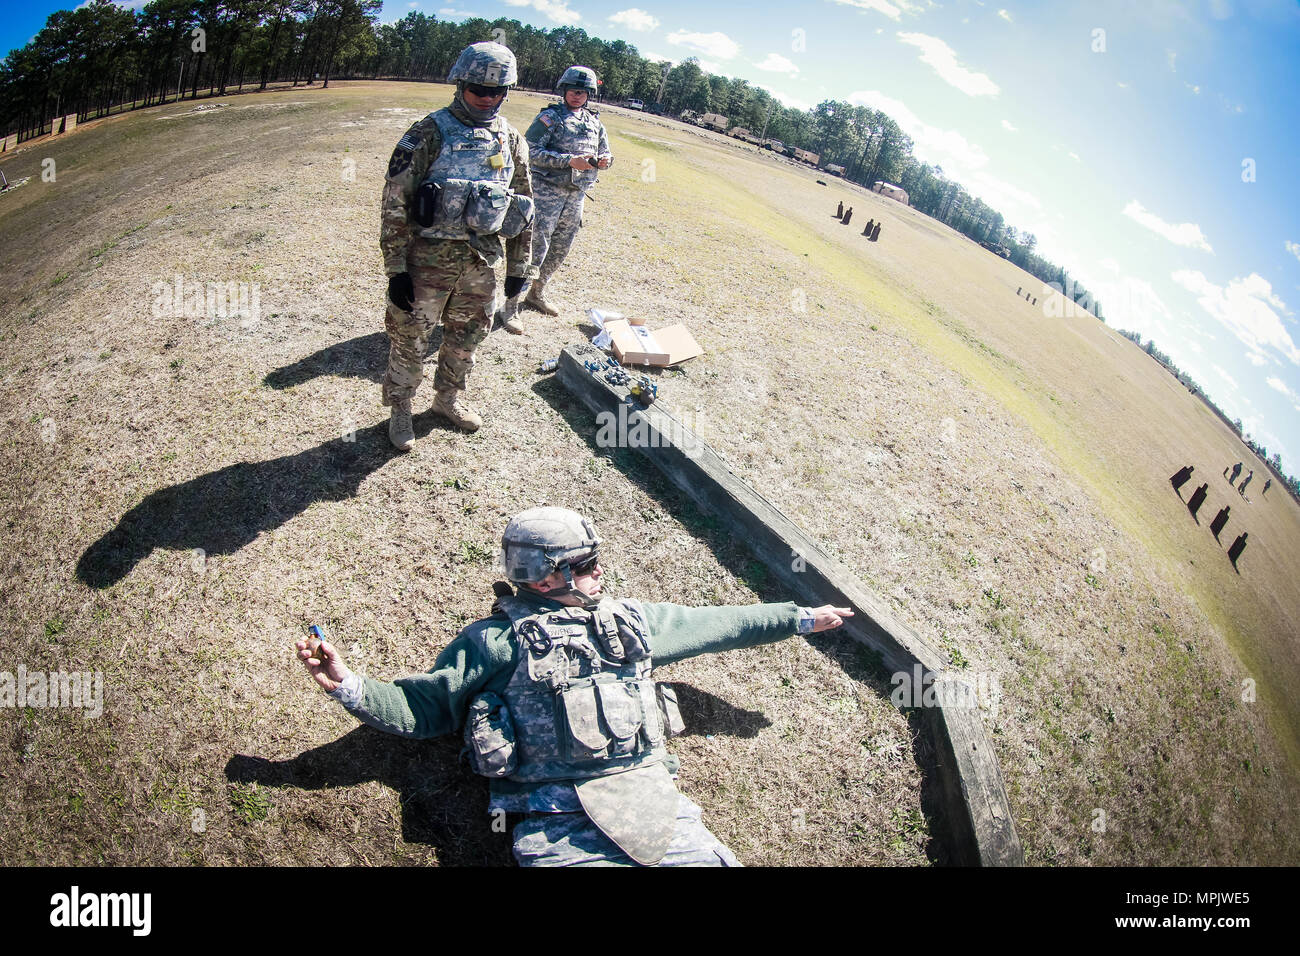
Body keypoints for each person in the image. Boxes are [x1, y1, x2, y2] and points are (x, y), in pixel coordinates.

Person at [295, 506, 852, 866]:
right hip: (559, 833)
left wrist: (799, 618)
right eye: (585, 565)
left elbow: (714, 625)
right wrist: (347, 683)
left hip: (661, 814)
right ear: (543, 577)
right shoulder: (495, 642)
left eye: (596, 561)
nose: (599, 573)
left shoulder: (631, 621)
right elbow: (424, 706)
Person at [379, 41, 536, 447]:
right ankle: (400, 409)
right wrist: (396, 269)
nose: (487, 99)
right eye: (478, 90)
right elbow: (396, 201)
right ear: (459, 84)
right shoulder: (428, 132)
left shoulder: (512, 140)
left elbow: (523, 208)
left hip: (481, 264)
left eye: (496, 92)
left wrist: (519, 269)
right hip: (426, 263)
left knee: (467, 339)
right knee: (410, 339)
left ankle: (447, 399)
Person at [497, 66, 612, 333]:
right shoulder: (550, 118)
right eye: (573, 91)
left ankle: (537, 293)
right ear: (564, 91)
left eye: (582, 92)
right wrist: (568, 161)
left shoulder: (594, 123)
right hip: (546, 192)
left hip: (576, 195)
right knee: (534, 249)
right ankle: (510, 305)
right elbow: (530, 150)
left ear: (589, 95)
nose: (577, 96)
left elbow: (605, 151)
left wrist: (606, 161)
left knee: (560, 247)